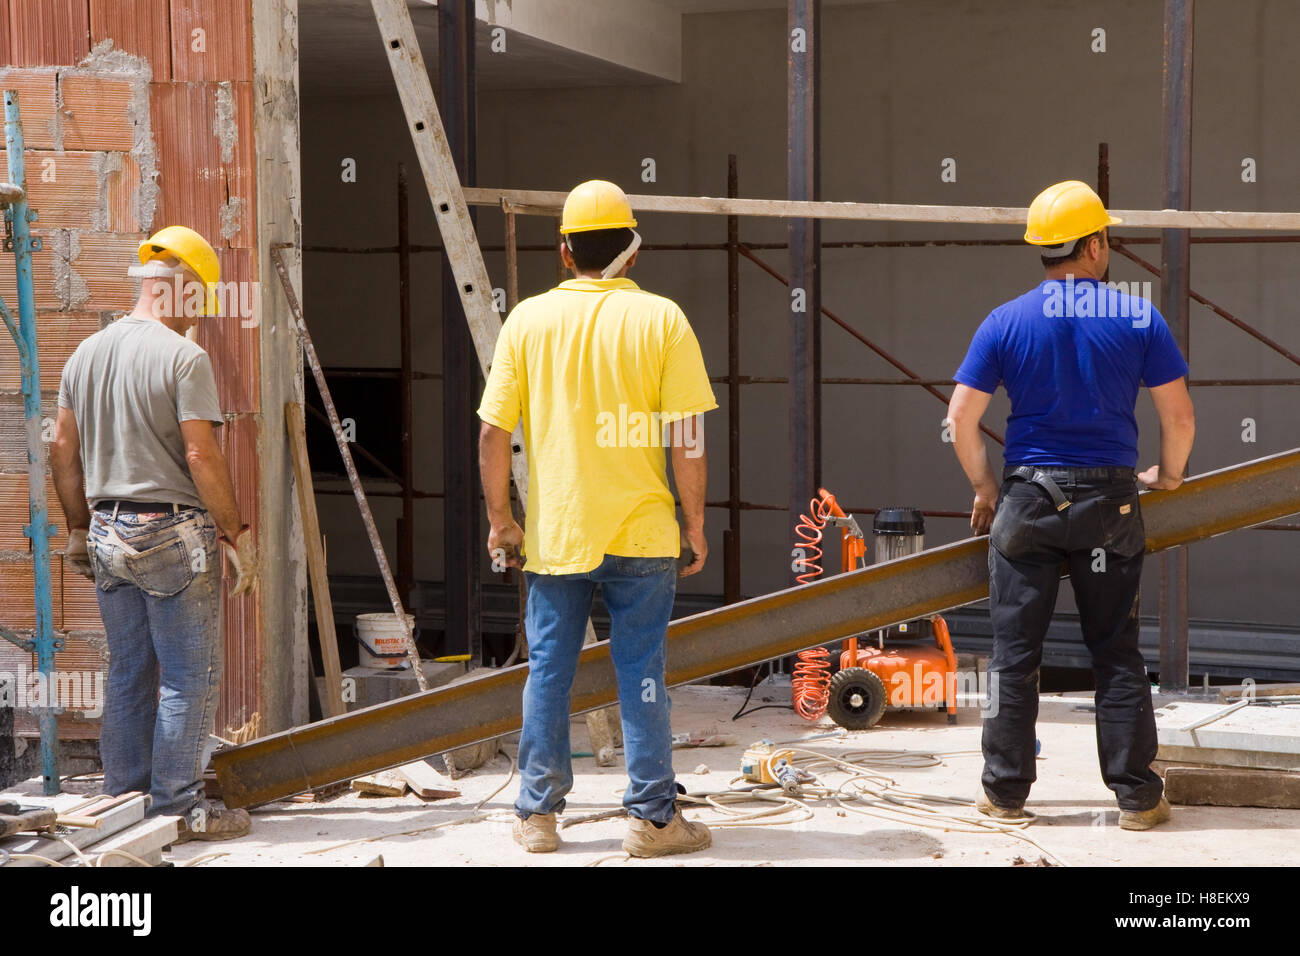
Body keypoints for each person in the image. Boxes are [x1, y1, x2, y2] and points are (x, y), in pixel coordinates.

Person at [478, 179, 717, 857]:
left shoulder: (527, 320)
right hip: (643, 533)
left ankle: (538, 816)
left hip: (559, 539)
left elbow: (493, 434)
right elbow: (688, 437)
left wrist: (502, 520)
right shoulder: (664, 321)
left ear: (563, 252)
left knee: (548, 672)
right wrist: (693, 522)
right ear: (632, 254)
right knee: (641, 669)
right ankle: (653, 819)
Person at [947, 180, 1195, 831]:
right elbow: (1180, 417)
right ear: (1094, 245)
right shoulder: (1140, 316)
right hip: (1110, 507)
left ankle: (1004, 794)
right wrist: (1168, 477)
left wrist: (987, 492)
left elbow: (962, 418)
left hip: (1028, 501)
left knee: (1013, 657)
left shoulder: (1005, 321)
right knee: (1115, 651)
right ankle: (1138, 799)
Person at [50, 225, 258, 843]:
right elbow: (201, 457)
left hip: (107, 530)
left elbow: (63, 447)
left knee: (128, 670)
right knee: (189, 676)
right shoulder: (184, 359)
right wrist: (233, 534)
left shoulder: (86, 353)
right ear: (181, 290)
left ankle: (122, 803)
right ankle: (181, 809)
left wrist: (77, 530)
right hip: (173, 533)